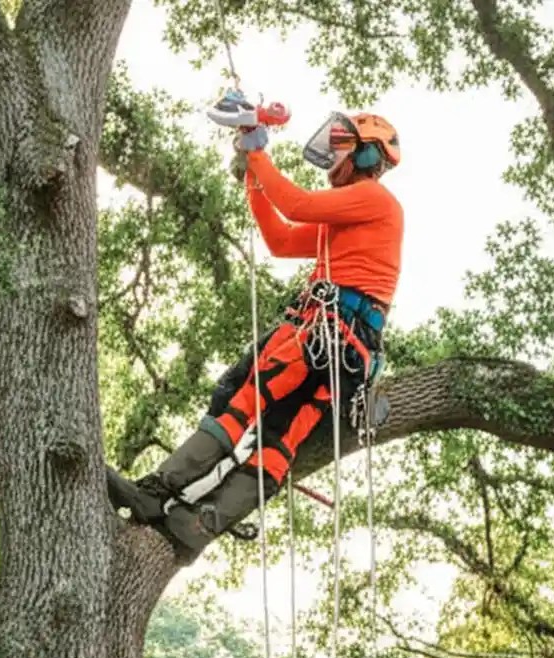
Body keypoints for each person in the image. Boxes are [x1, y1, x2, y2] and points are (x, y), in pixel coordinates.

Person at [107, 91, 404, 561]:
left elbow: (297, 205)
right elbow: (282, 239)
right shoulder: (351, 218)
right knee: (278, 438)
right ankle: (198, 525)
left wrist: (256, 148)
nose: (335, 157)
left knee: (239, 397)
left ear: (367, 153)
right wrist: (253, 177)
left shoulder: (373, 198)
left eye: (344, 145)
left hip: (321, 335)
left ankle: (155, 492)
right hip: (346, 356)